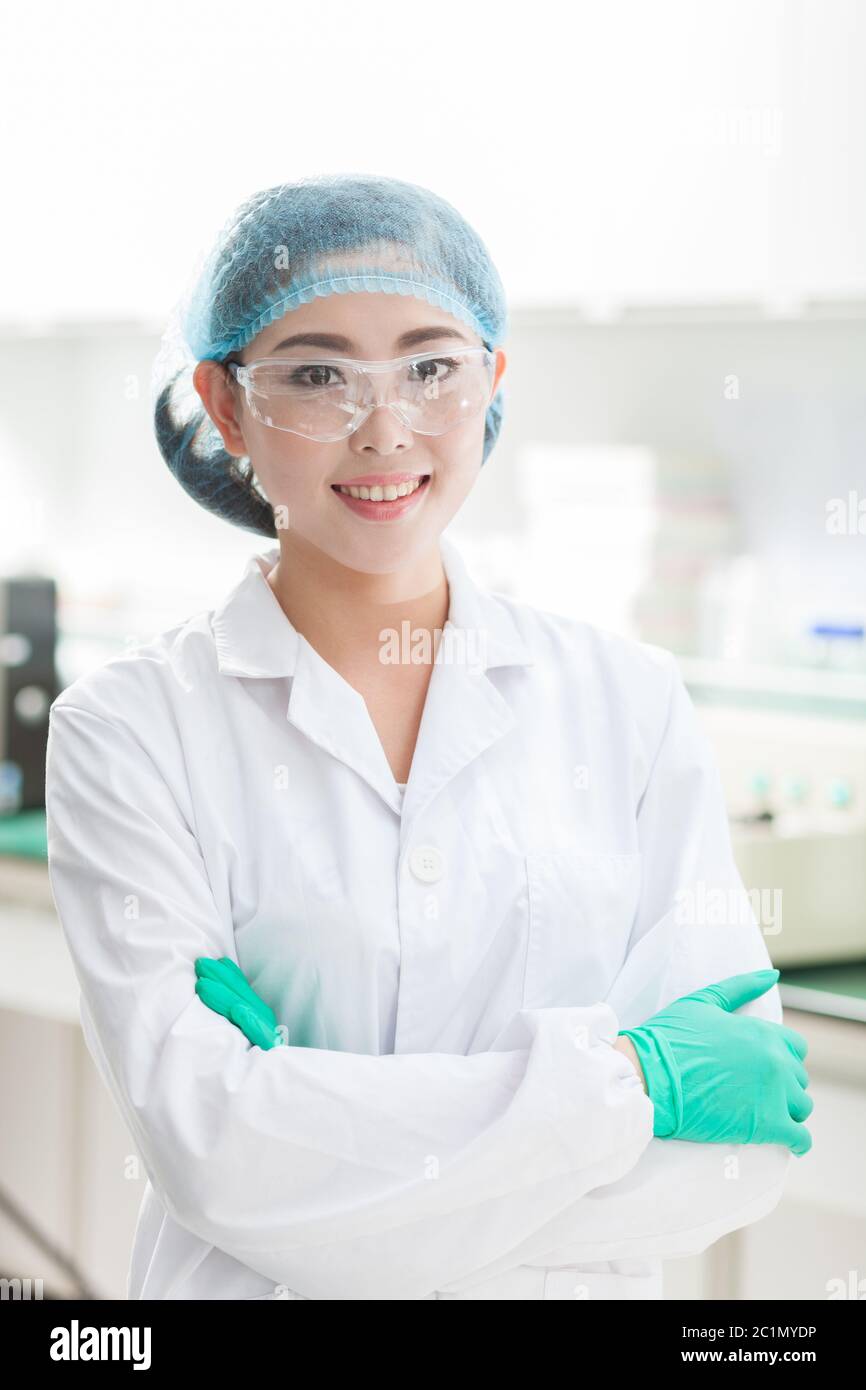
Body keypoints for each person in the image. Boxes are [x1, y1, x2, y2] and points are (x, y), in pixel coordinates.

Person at [44, 173, 812, 1302]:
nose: (384, 429)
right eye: (315, 375)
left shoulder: (627, 702)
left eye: (430, 367)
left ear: (491, 379)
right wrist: (632, 1085)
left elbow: (735, 1158)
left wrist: (314, 1140)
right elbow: (213, 1154)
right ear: (223, 404)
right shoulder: (130, 730)